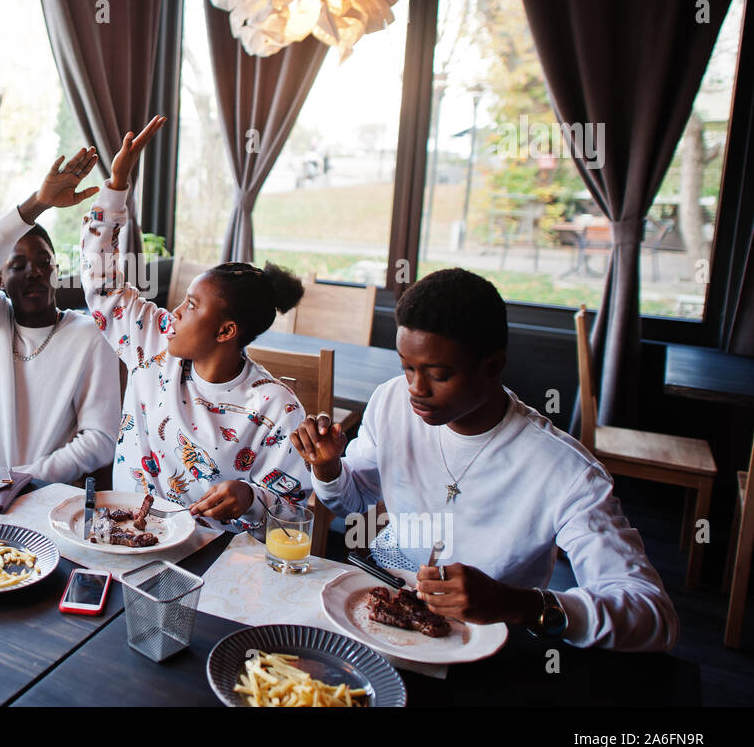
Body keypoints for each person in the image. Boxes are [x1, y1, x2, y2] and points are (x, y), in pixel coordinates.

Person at [291, 267, 678, 652]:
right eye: (407, 367)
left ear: (492, 366)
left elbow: (653, 616)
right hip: (378, 601)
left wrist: (514, 603)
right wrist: (328, 468)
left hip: (496, 636)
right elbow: (351, 502)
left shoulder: (565, 471)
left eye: (438, 375)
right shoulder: (391, 401)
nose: (415, 389)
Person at [37, 116, 311, 532]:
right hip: (124, 532)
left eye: (192, 305)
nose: (175, 312)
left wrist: (251, 496)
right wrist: (116, 186)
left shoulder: (275, 407)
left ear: (225, 331)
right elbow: (102, 283)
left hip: (213, 557)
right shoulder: (154, 343)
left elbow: (295, 510)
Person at [0, 150, 121, 482]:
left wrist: (25, 479)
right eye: (17, 265)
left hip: (36, 495)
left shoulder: (89, 335)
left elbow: (101, 440)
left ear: (57, 271)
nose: (34, 273)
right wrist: (38, 203)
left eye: (45, 263)